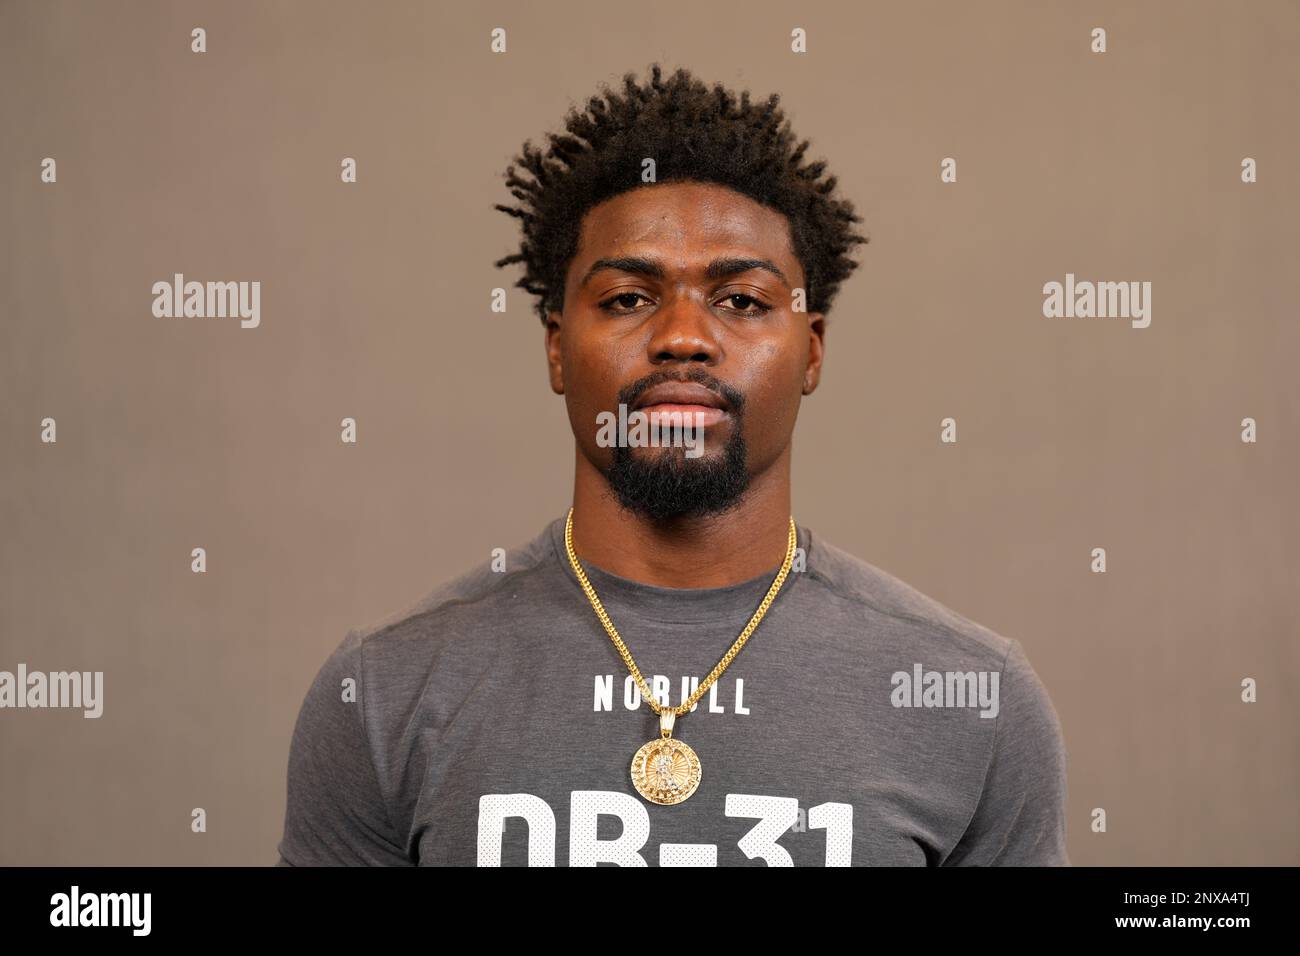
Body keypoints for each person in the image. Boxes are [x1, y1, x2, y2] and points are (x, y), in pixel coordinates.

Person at [276, 63, 1068, 866]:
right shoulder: (382, 691)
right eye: (627, 298)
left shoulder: (972, 700)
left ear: (811, 352)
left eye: (743, 301)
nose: (684, 335)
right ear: (557, 348)